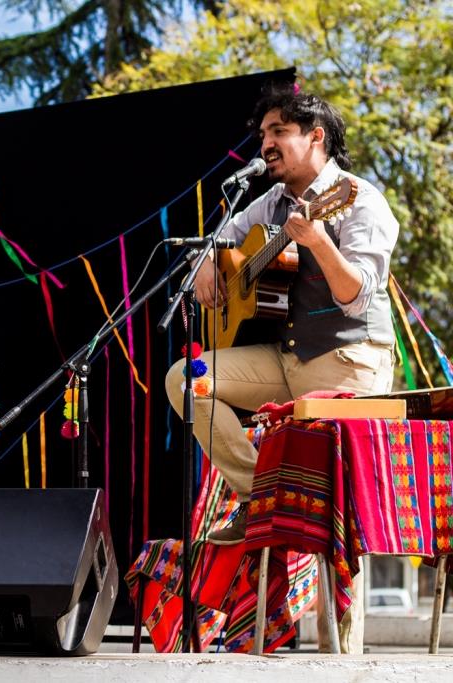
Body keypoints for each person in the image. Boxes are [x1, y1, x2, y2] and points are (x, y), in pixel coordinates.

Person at [164, 85, 398, 653]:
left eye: (278, 133)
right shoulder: (268, 202)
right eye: (264, 133)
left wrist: (317, 239)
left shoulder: (358, 199)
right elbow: (214, 244)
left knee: (333, 501)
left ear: (315, 138)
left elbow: (355, 294)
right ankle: (262, 496)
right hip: (288, 357)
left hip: (348, 359)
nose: (265, 144)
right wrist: (206, 268)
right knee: (185, 378)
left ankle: (341, 654)